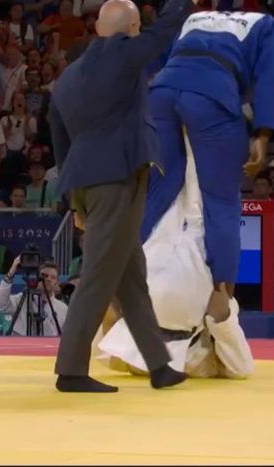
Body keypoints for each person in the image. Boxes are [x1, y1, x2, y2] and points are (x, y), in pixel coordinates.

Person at [45, 0, 209, 393]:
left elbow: (60, 143)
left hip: (87, 182)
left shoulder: (67, 78)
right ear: (130, 29)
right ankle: (71, 370)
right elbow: (171, 22)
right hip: (118, 178)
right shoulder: (125, 54)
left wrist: (74, 201)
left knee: (129, 276)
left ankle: (159, 365)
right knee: (100, 273)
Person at [141, 0, 274, 296]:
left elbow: (149, 53)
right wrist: (263, 136)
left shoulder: (195, 18)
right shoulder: (271, 28)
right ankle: (222, 297)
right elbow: (271, 78)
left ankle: (121, 280)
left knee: (158, 189)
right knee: (221, 200)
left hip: (163, 91)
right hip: (212, 95)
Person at [97, 137, 255, 379]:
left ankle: (178, 132)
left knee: (174, 206)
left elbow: (110, 318)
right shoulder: (200, 364)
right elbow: (242, 369)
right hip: (185, 292)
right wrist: (221, 321)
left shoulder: (127, 360)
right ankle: (189, 136)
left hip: (155, 282)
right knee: (189, 210)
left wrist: (115, 299)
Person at [0, 255, 69, 337]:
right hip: (22, 347)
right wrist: (11, 273)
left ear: (57, 283)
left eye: (53, 277)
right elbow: (1, 305)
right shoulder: (21, 299)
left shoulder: (63, 309)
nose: (48, 279)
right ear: (36, 277)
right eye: (44, 275)